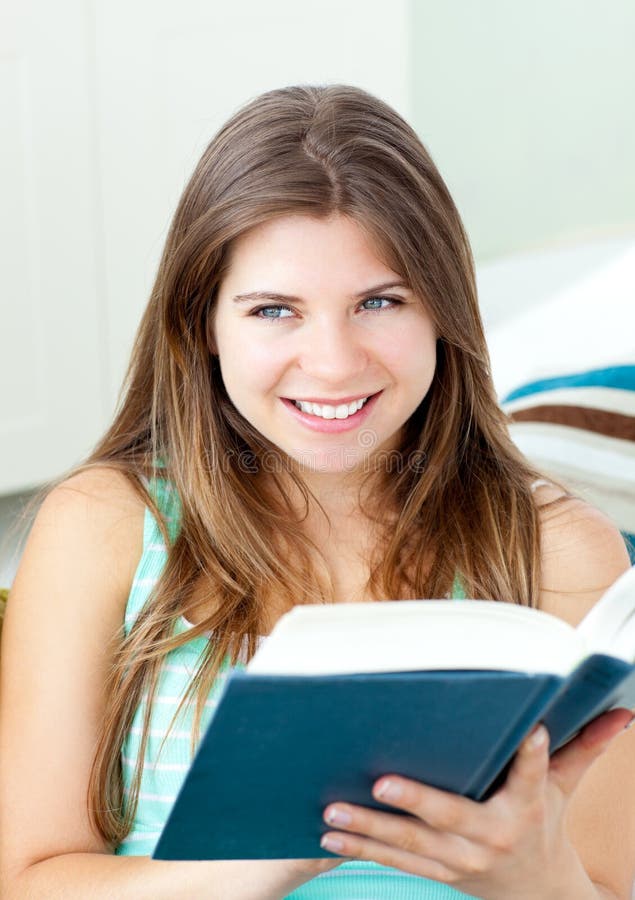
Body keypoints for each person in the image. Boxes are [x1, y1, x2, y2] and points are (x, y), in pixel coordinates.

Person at [0, 83, 633, 900]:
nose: (332, 363)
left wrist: (531, 876)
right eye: (273, 311)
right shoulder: (104, 525)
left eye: (379, 302)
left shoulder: (558, 547)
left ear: (442, 312)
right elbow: (27, 879)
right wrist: (263, 860)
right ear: (203, 326)